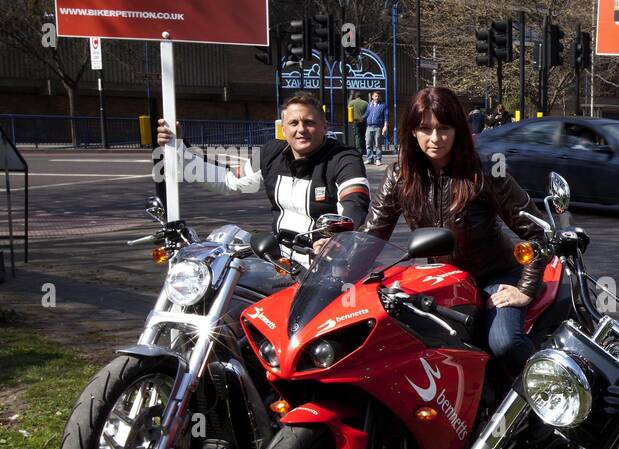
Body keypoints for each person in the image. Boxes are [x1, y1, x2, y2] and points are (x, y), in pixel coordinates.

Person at [362, 86, 546, 375]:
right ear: (412, 131)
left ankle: (549, 386)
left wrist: (525, 289)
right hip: (441, 282)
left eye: (444, 128)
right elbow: (370, 237)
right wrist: (337, 272)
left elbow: (538, 232)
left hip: (492, 278)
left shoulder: (484, 172)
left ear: (458, 130)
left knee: (503, 343)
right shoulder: (399, 176)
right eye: (425, 129)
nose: (435, 138)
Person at [154, 91, 370, 258]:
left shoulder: (343, 158)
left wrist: (333, 238)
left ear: (324, 126)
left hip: (325, 260)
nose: (301, 129)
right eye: (293, 123)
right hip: (278, 257)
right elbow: (230, 182)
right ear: (283, 129)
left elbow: (354, 202)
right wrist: (180, 149)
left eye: (310, 122)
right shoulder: (271, 152)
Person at [363, 90, 388, 165]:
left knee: (378, 144)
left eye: (378, 96)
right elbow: (366, 114)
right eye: (376, 96)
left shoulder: (383, 105)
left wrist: (385, 126)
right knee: (368, 144)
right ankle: (370, 159)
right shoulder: (369, 105)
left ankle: (378, 159)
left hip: (378, 127)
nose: (377, 97)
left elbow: (386, 116)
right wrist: (360, 118)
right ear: (372, 97)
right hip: (369, 127)